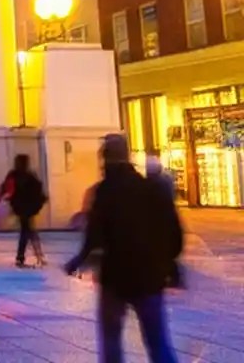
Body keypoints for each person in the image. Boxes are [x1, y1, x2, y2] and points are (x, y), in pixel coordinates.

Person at [65, 134, 182, 363]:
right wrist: (166, 263)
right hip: (149, 277)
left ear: (105, 160)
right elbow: (174, 235)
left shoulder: (104, 192)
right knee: (158, 342)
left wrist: (80, 259)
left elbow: (95, 236)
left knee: (111, 341)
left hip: (114, 279)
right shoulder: (154, 189)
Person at [0, 154, 47, 268]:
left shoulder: (14, 175)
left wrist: (4, 198)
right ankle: (30, 256)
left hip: (19, 207)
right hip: (28, 208)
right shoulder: (30, 175)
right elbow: (37, 189)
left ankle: (33, 256)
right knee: (28, 232)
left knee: (28, 231)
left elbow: (5, 187)